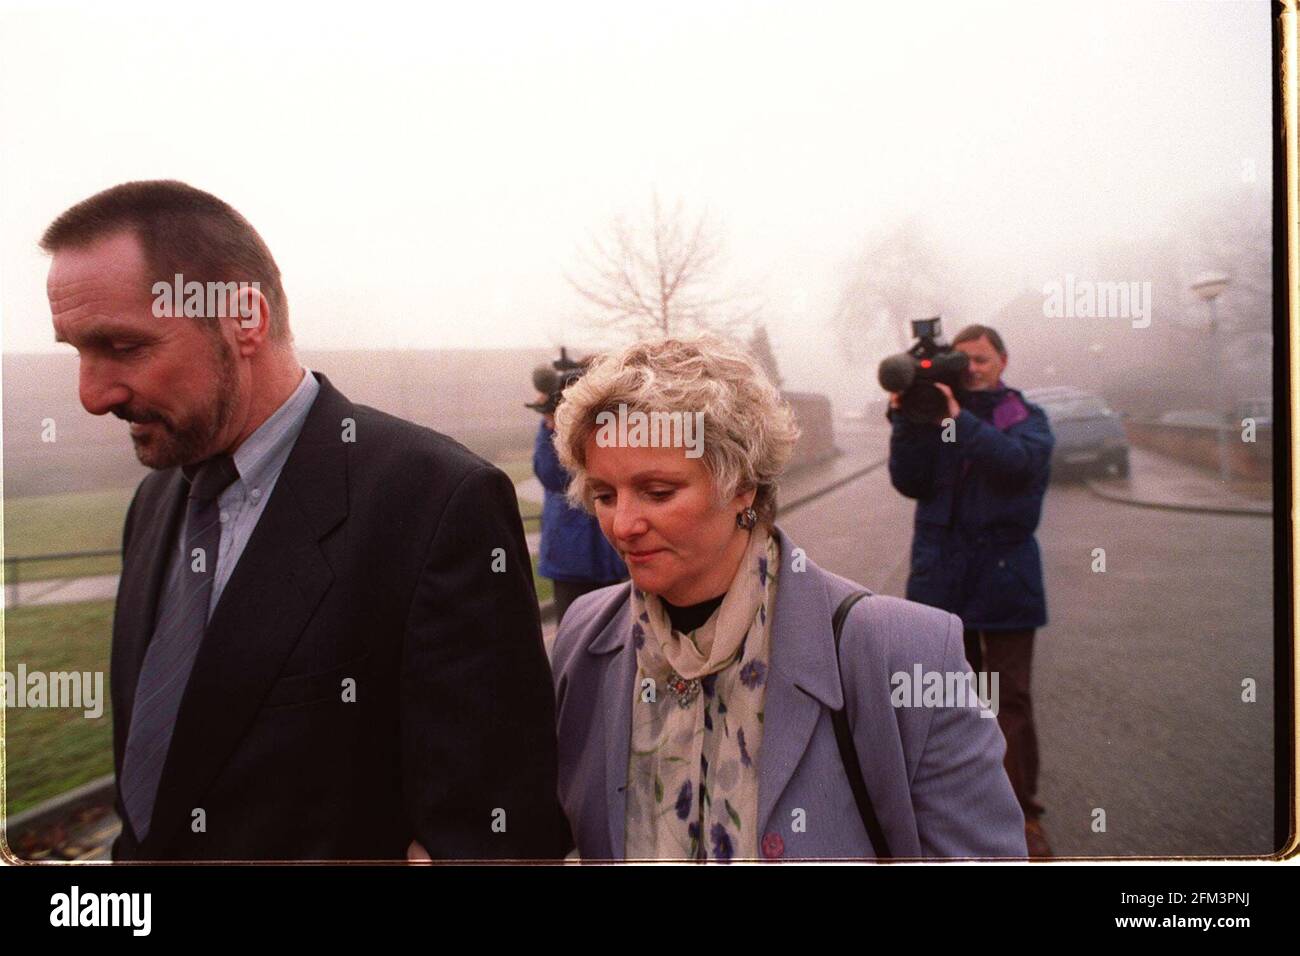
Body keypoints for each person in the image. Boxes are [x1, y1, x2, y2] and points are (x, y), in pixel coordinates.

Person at [42, 180, 566, 861]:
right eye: (76, 350)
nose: (90, 395)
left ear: (244, 319)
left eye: (124, 346)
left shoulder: (436, 503)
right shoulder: (156, 503)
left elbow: (498, 833)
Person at [549, 335, 1026, 860]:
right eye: (604, 495)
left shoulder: (905, 652)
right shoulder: (584, 636)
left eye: (658, 492)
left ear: (743, 486)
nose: (623, 524)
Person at [887, 323, 1055, 856]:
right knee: (948, 700)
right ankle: (956, 812)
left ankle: (1021, 815)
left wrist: (959, 421)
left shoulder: (1020, 414)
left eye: (982, 359)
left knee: (1007, 700)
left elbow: (1018, 467)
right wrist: (907, 421)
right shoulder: (932, 413)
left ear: (1002, 361)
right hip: (940, 575)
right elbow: (910, 481)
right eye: (964, 361)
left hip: (1005, 574)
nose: (973, 369)